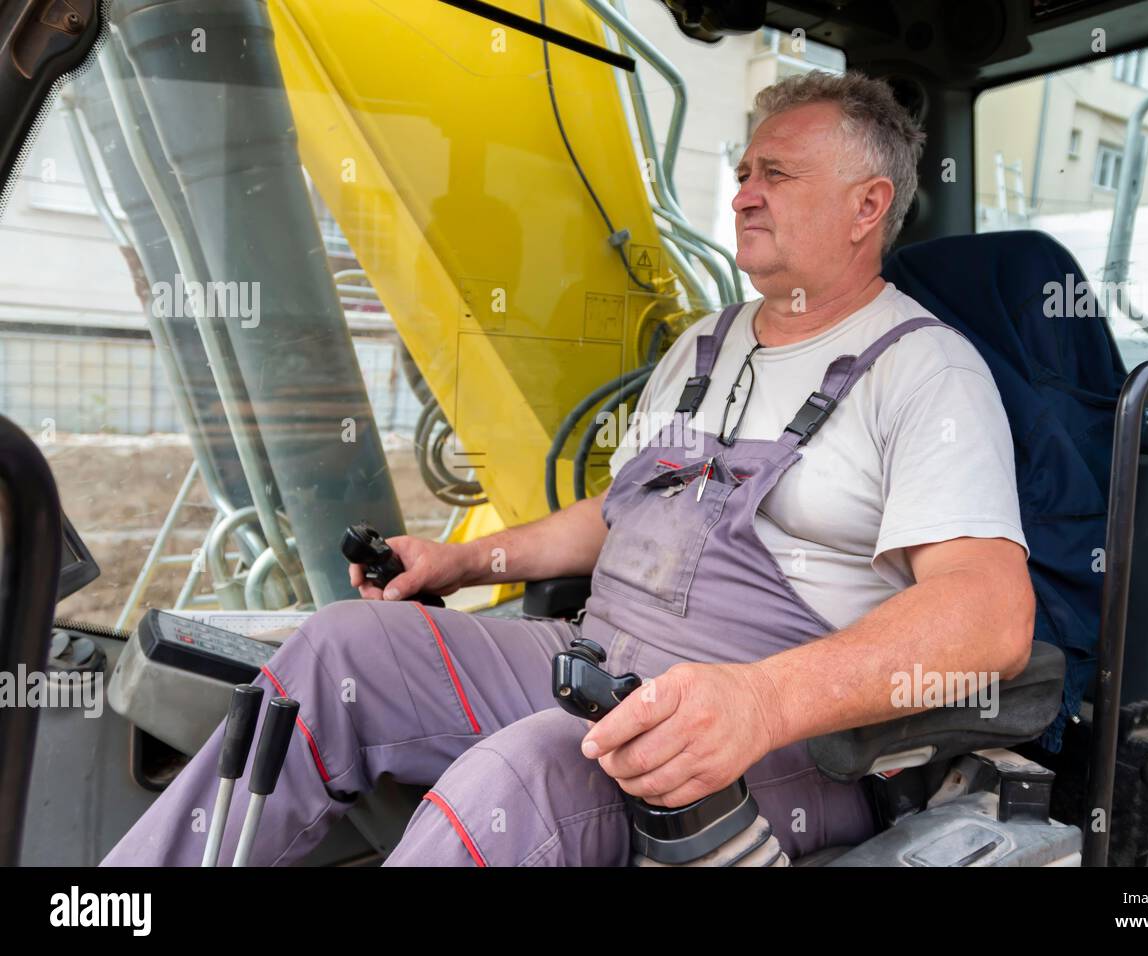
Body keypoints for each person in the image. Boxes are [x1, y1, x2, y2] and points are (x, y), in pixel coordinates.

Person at [101, 69, 1034, 867]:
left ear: (868, 204)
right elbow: (623, 514)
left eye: (776, 175)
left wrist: (760, 699)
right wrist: (463, 563)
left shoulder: (926, 370)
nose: (744, 193)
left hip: (779, 738)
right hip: (601, 661)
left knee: (534, 766)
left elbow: (990, 614)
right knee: (340, 647)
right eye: (743, 172)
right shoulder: (703, 345)